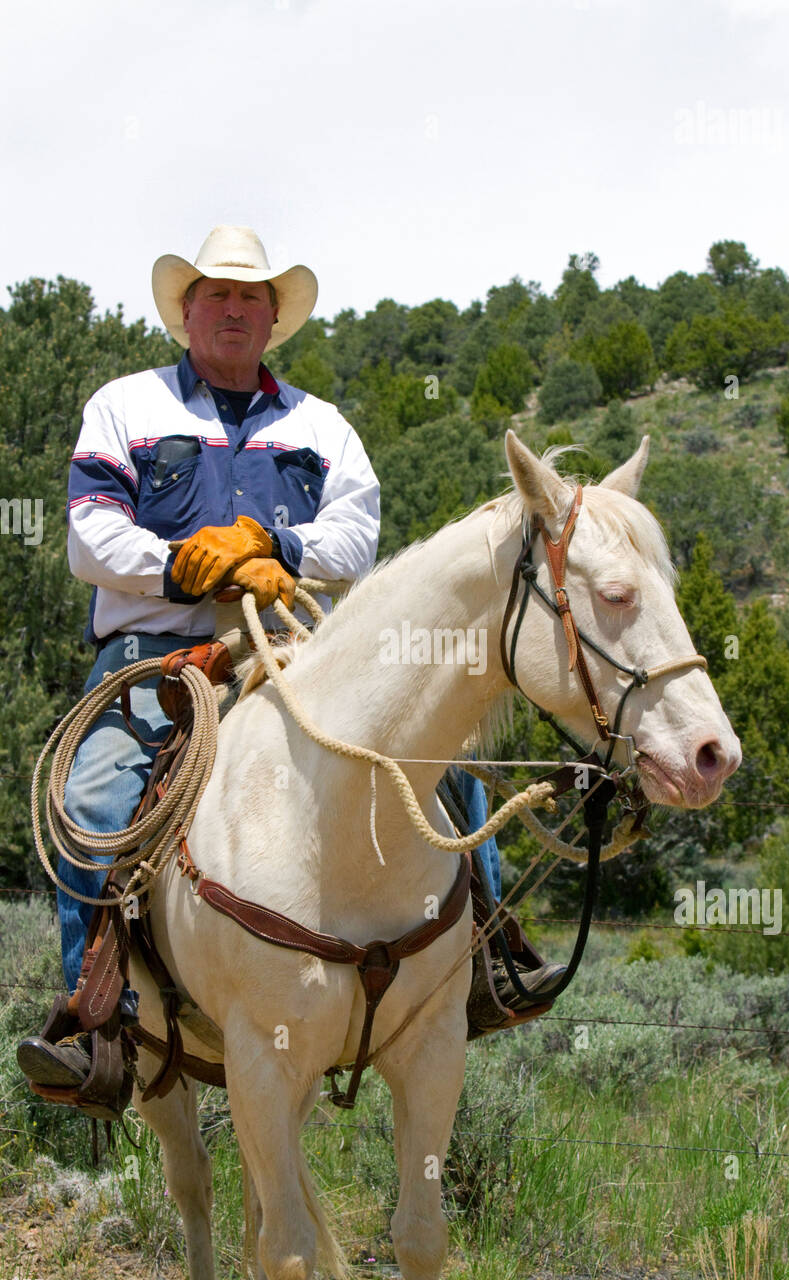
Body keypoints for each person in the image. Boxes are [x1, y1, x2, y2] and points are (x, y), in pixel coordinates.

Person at [17, 226, 556, 1092]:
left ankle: (485, 960)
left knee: (447, 769)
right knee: (96, 797)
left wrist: (273, 545)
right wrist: (179, 563)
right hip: (161, 657)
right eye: (217, 295)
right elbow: (89, 532)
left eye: (251, 298)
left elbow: (357, 531)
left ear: (274, 318)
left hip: (303, 651)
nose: (234, 309)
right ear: (186, 310)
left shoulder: (322, 425)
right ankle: (96, 1019)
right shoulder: (126, 406)